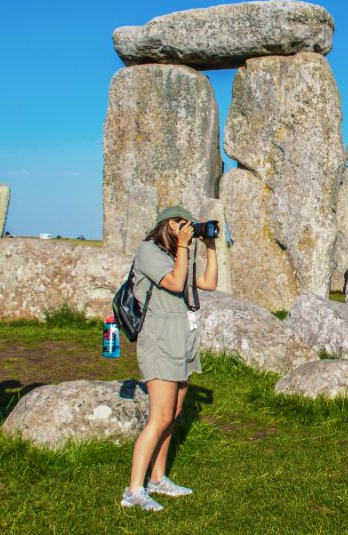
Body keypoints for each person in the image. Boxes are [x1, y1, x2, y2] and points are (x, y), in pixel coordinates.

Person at [121, 206, 218, 512]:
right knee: (159, 417)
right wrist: (185, 247)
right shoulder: (148, 251)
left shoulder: (178, 256)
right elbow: (175, 284)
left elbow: (209, 283)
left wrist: (211, 246)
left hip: (183, 343)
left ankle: (158, 478)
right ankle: (133, 491)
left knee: (173, 415)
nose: (184, 229)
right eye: (179, 224)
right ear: (165, 225)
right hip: (160, 342)